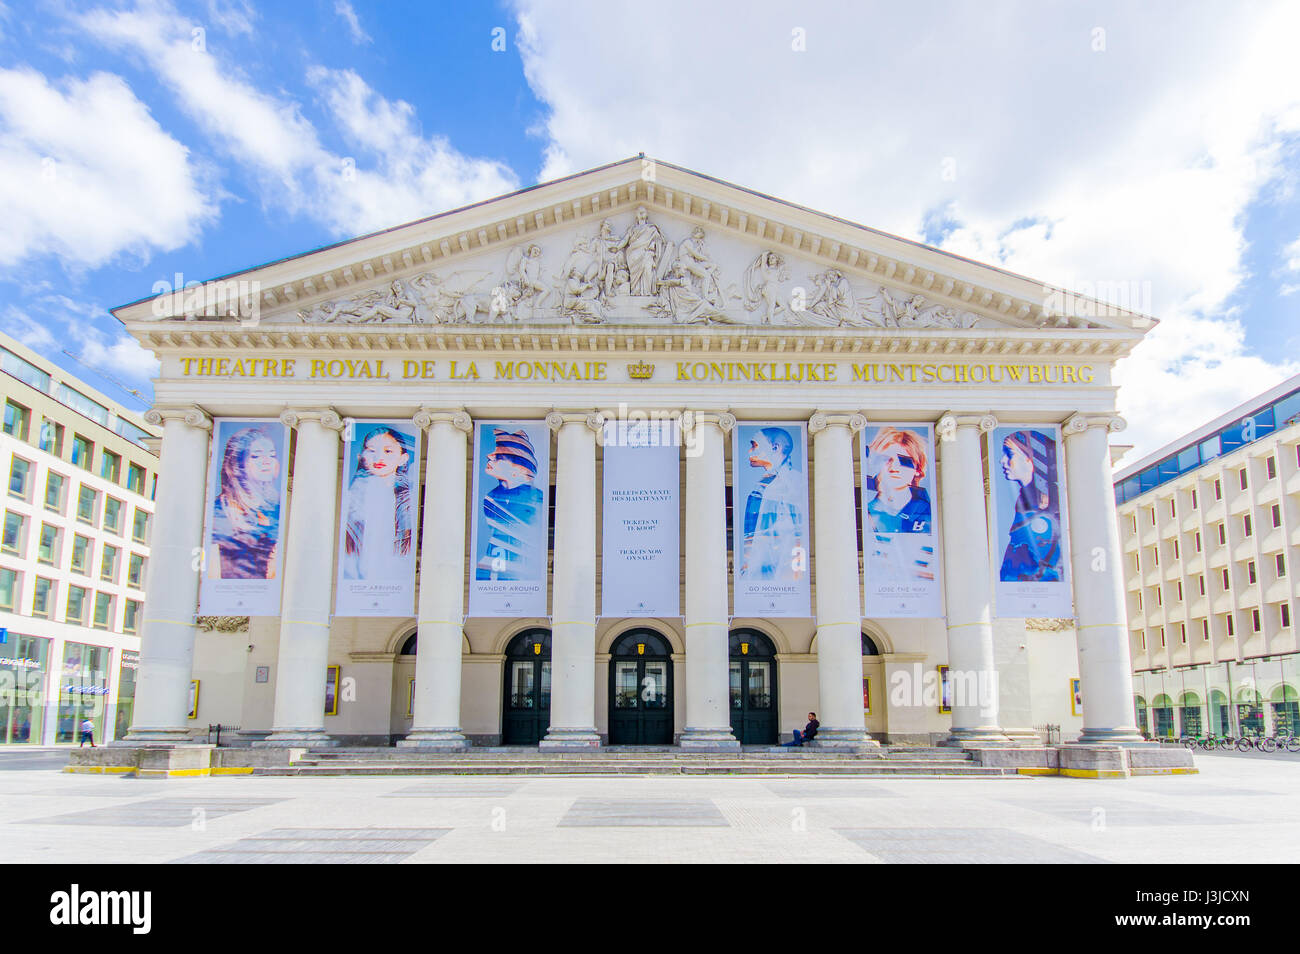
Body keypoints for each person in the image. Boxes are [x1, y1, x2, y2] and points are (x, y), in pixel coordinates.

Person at [208, 426, 281, 579]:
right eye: (256, 456)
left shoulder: (277, 508)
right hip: (228, 593)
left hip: (267, 593)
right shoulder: (219, 510)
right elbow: (211, 566)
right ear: (237, 463)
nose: (267, 462)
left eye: (272, 455)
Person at [343, 425, 414, 580]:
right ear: (361, 456)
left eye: (388, 451)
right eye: (371, 450)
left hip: (395, 578)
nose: (379, 458)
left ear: (403, 458)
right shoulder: (352, 497)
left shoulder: (408, 501)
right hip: (356, 580)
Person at [476, 428, 544, 581]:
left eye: (499, 456)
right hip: (487, 571)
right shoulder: (488, 496)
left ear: (519, 468)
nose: (489, 456)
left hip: (522, 572)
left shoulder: (538, 500)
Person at [740, 427, 805, 582]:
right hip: (760, 563)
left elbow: (796, 530)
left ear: (776, 448)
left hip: (781, 564)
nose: (750, 451)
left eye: (755, 445)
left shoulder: (794, 482)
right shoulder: (765, 482)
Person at [999, 430, 1063, 581]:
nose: (1003, 460)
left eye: (1009, 454)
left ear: (1030, 460)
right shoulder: (1023, 501)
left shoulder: (1050, 511)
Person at [864, 428, 931, 533]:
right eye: (886, 460)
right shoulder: (864, 512)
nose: (894, 468)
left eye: (904, 461)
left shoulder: (929, 511)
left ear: (917, 469)